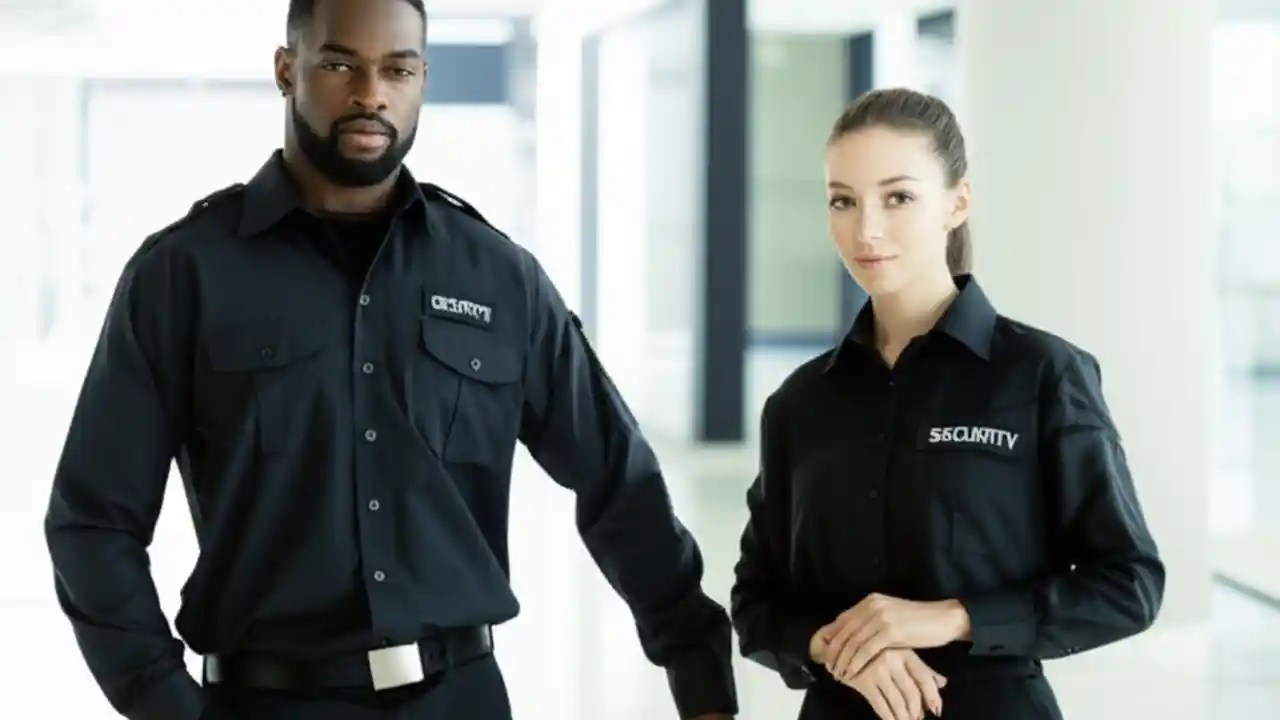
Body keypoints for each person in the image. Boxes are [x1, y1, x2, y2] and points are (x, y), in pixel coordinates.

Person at [43, 1, 738, 718]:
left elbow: (616, 478)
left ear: (423, 80)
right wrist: (165, 703)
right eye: (340, 63)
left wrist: (700, 672)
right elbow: (92, 521)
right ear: (287, 70)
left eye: (397, 69)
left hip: (461, 698)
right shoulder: (184, 274)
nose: (371, 93)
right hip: (266, 702)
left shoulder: (498, 276)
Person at [728, 87, 1165, 720]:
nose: (866, 228)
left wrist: (948, 619)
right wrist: (844, 647)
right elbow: (756, 600)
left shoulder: (1042, 374)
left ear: (957, 202)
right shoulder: (800, 402)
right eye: (843, 201)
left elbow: (1130, 584)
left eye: (898, 197)